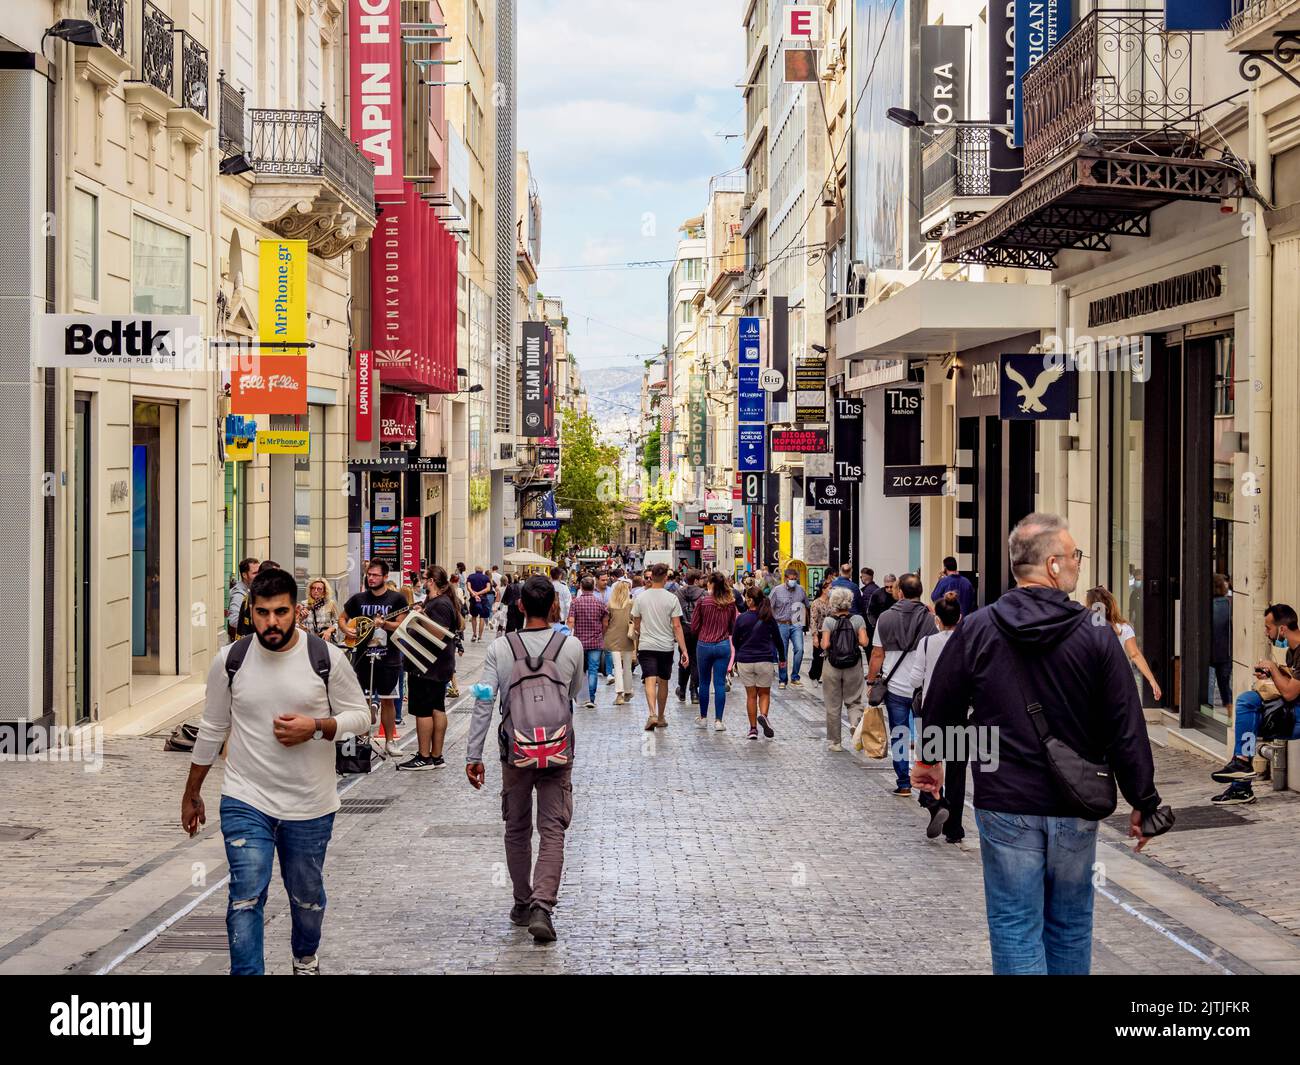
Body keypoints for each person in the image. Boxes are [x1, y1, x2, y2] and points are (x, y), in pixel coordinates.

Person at [916, 513, 1164, 975]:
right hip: (1075, 802)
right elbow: (1124, 723)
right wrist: (1143, 801)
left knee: (1014, 922)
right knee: (1070, 924)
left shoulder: (980, 628)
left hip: (1005, 799)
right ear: (1053, 565)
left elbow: (943, 699)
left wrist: (930, 761)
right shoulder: (1095, 633)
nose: (1077, 565)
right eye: (1074, 557)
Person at [183, 567, 371, 975]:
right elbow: (214, 726)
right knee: (245, 895)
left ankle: (305, 956)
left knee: (306, 897)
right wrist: (192, 791)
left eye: (281, 612)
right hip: (245, 798)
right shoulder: (230, 661)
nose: (272, 622)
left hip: (310, 803)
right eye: (263, 612)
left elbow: (361, 716)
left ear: (296, 611)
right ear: (250, 611)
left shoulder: (325, 659)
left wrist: (317, 728)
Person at [465, 575, 586, 943]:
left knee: (516, 828)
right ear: (554, 605)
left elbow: (484, 700)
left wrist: (474, 753)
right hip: (557, 750)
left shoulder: (500, 648)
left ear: (519, 606)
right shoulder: (571, 646)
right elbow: (574, 692)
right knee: (553, 829)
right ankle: (542, 905)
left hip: (513, 752)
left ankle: (521, 901)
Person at [1210, 602, 1300, 805]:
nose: (1267, 633)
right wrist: (1273, 671)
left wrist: (1272, 668)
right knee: (1247, 704)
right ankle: (1241, 767)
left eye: (1269, 628)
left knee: (1247, 715)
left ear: (1282, 629)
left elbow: (1289, 693)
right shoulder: (1291, 652)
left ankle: (1241, 779)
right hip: (1292, 711)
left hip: (1297, 717)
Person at [866, 573, 935, 796]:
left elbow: (877, 653)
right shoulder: (930, 619)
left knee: (899, 734)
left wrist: (871, 679)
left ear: (901, 592)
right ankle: (926, 783)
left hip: (894, 686)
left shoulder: (885, 618)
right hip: (923, 688)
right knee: (927, 734)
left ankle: (904, 782)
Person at [908, 591, 966, 842]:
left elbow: (915, 678)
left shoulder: (928, 643)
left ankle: (935, 804)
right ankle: (954, 828)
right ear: (961, 617)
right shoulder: (968, 644)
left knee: (928, 768)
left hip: (933, 710)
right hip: (960, 711)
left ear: (937, 620)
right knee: (957, 772)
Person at [395, 566, 462, 771]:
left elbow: (439, 633)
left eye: (424, 578)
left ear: (432, 581)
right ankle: (436, 756)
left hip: (428, 664)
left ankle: (425, 756)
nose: (422, 582)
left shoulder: (440, 604)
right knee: (436, 707)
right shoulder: (441, 602)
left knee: (424, 710)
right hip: (435, 664)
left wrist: (418, 617)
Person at [339, 559, 407, 757]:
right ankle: (362, 740)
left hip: (389, 658)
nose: (371, 578)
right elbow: (342, 618)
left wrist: (384, 624)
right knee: (362, 701)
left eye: (376, 575)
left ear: (386, 577)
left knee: (387, 700)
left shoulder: (397, 599)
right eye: (369, 574)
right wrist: (346, 630)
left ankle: (389, 741)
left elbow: (402, 625)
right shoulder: (358, 599)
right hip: (362, 657)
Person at [632, 563, 690, 732]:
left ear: (651, 577)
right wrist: (684, 650)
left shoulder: (641, 598)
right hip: (665, 646)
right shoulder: (671, 598)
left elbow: (636, 623)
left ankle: (652, 714)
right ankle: (662, 716)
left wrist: (642, 631)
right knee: (663, 681)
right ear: (665, 577)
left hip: (646, 644)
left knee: (649, 678)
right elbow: (677, 626)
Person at [1085, 586, 1161, 702]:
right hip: (1117, 681)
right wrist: (1152, 680)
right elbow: (1135, 655)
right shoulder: (1124, 628)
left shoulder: (1085, 628)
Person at [820, 586, 869, 751]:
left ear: (833, 603)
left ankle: (836, 742)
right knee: (854, 700)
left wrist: (823, 643)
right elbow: (864, 642)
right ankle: (855, 724)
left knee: (833, 704)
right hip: (853, 664)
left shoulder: (829, 621)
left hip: (832, 665)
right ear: (849, 602)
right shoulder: (858, 620)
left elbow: (825, 644)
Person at [733, 585, 786, 739]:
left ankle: (753, 729)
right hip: (765, 660)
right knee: (764, 693)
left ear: (749, 601)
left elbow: (736, 640)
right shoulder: (768, 618)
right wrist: (782, 658)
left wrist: (739, 654)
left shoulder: (741, 618)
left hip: (745, 660)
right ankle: (763, 716)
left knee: (751, 696)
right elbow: (778, 640)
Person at [692, 571, 739, 732]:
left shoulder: (703, 602)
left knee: (704, 682)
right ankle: (719, 720)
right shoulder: (730, 603)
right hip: (722, 644)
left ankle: (703, 717)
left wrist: (702, 632)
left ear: (711, 584)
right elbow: (733, 627)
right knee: (719, 683)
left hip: (704, 644)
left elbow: (694, 626)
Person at [568, 575, 610, 709]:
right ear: (593, 587)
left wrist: (569, 635)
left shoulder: (575, 602)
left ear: (581, 587)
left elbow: (571, 621)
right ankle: (591, 698)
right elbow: (605, 623)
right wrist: (602, 635)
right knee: (593, 669)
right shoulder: (600, 603)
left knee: (581, 670)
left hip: (579, 641)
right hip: (595, 641)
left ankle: (582, 697)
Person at [769, 567, 810, 689]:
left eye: (795, 579)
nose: (793, 581)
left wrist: (806, 624)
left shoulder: (801, 590)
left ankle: (795, 676)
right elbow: (769, 606)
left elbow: (807, 605)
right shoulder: (777, 590)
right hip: (781, 624)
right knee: (782, 652)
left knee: (800, 649)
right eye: (791, 579)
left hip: (796, 624)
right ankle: (783, 679)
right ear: (786, 578)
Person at [604, 579, 636, 704]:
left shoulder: (610, 605)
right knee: (627, 666)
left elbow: (606, 622)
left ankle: (619, 694)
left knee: (617, 666)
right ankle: (628, 690)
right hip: (627, 636)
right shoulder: (631, 603)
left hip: (613, 636)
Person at [675, 570, 705, 703]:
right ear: (697, 580)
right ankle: (694, 691)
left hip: (683, 630)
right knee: (696, 661)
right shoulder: (704, 595)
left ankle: (682, 690)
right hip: (699, 631)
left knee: (684, 659)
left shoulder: (678, 594)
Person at [1211, 574, 1232, 708]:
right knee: (1224, 685)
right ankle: (1231, 715)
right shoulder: (1228, 604)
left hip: (1209, 651)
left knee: (1207, 685)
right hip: (1226, 651)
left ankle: (1207, 709)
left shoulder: (1205, 605)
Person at [297, 578, 339, 644]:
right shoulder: (304, 604)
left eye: (319, 589)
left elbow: (337, 622)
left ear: (324, 591)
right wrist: (301, 620)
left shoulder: (330, 604)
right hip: (309, 641)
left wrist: (329, 631)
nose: (316, 591)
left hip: (326, 641)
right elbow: (296, 625)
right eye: (313, 588)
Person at [808, 578, 833, 683]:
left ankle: (826, 675)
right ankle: (814, 674)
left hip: (831, 632)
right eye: (830, 588)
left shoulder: (832, 602)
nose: (832, 590)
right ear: (824, 589)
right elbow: (813, 620)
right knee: (818, 656)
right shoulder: (816, 603)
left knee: (829, 655)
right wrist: (814, 636)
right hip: (820, 632)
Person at [228, 557, 259, 641]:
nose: (258, 575)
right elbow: (233, 620)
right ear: (244, 575)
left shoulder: (253, 590)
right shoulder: (239, 594)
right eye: (255, 573)